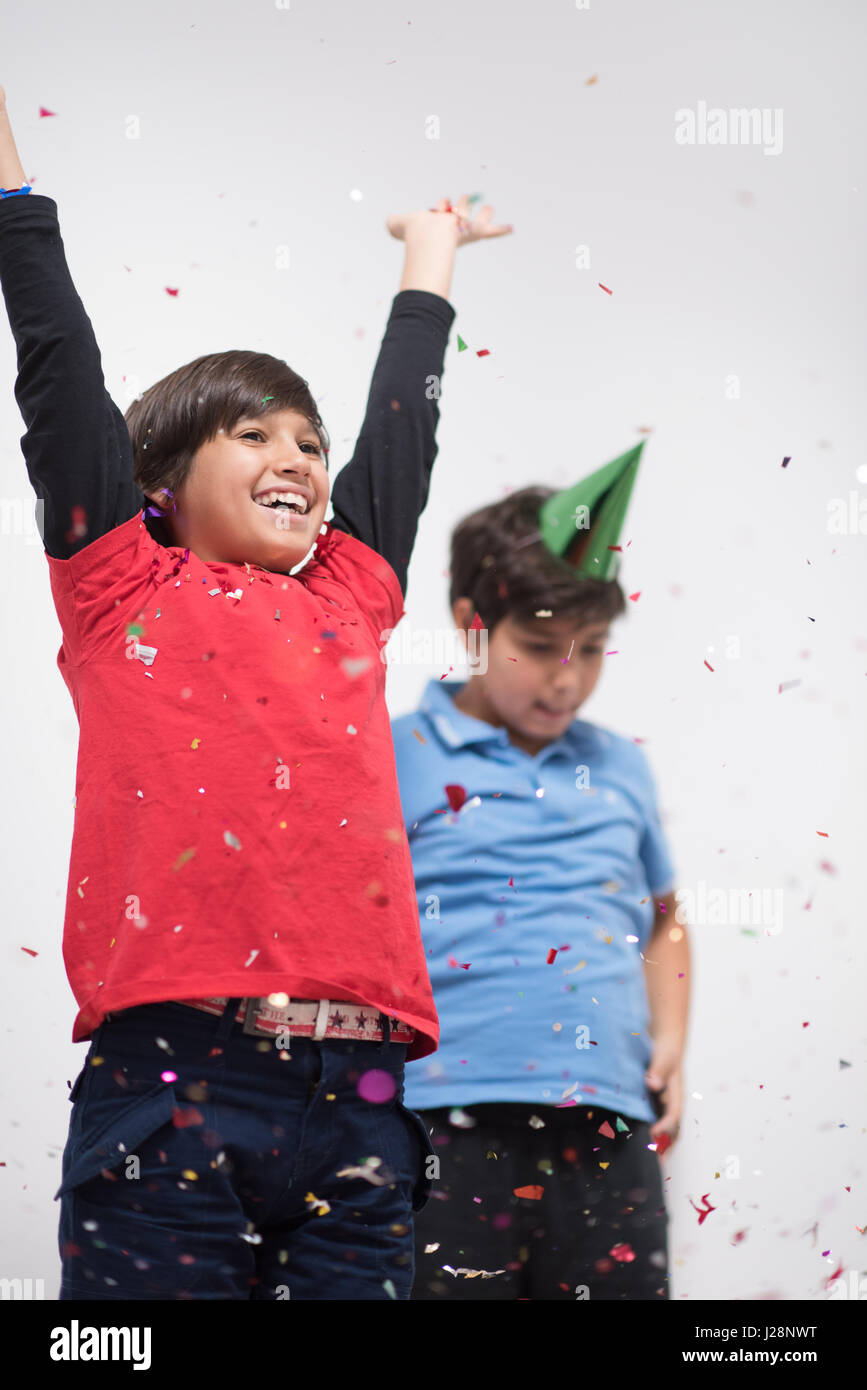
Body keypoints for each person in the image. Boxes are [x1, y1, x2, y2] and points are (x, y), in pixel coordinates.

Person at [0, 83, 512, 1299]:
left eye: (309, 444)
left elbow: (405, 434)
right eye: (254, 435)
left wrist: (431, 253)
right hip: (177, 1080)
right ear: (160, 482)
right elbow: (59, 363)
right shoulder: (119, 582)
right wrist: (12, 198)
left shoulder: (351, 593)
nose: (297, 460)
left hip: (363, 1094)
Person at [391, 455, 690, 1300]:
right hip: (440, 1118)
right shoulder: (394, 754)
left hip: (604, 1120)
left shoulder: (621, 766)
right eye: (537, 647)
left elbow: (665, 918)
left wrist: (669, 1045)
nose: (567, 678)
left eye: (590, 650)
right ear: (471, 625)